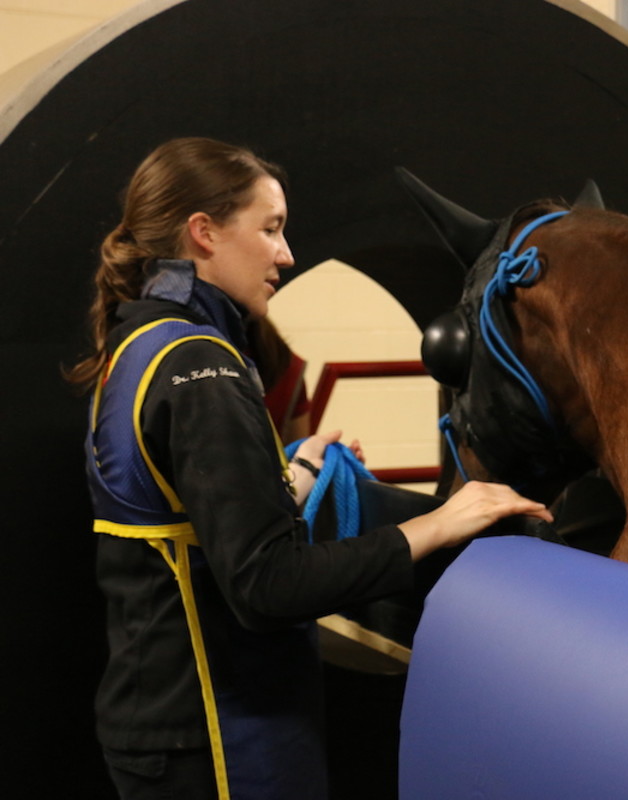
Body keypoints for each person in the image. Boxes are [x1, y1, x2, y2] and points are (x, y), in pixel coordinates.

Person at [68, 137, 552, 800]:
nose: (286, 255)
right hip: (221, 734)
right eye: (269, 229)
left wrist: (288, 475)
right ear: (203, 233)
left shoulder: (140, 344)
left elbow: (179, 521)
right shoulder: (202, 366)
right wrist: (441, 523)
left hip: (161, 720)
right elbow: (268, 585)